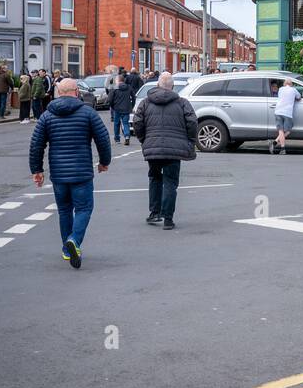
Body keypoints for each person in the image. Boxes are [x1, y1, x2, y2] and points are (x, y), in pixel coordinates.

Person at [29, 77, 111, 268]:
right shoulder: (88, 113)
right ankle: (74, 240)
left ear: (58, 92)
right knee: (84, 209)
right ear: (76, 91)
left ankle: (67, 250)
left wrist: (37, 170)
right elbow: (103, 138)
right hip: (81, 172)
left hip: (58, 174)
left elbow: (36, 145)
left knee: (64, 210)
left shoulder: (47, 115)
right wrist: (104, 162)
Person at [131, 70, 198, 228]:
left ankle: (154, 213)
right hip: (174, 149)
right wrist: (190, 140)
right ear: (172, 87)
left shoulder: (146, 102)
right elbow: (192, 122)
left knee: (155, 178)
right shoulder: (182, 102)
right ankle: (168, 218)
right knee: (170, 182)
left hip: (153, 147)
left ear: (157, 85)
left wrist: (144, 139)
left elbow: (137, 123)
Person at [272, 77, 301, 155]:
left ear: (284, 84)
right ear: (291, 84)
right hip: (287, 112)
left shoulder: (281, 89)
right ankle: (282, 148)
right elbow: (299, 97)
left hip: (278, 111)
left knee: (280, 130)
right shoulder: (294, 90)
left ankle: (275, 143)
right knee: (287, 131)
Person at [109, 73, 135, 145]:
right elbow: (134, 97)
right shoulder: (129, 87)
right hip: (126, 108)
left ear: (118, 80)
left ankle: (117, 139)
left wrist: (112, 106)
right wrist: (132, 106)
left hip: (117, 108)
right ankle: (127, 136)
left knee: (116, 124)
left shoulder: (114, 87)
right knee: (125, 123)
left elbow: (110, 99)